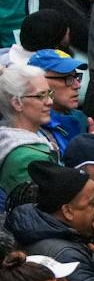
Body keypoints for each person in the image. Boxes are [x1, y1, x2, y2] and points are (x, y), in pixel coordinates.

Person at [0, 61, 56, 190]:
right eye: (41, 96)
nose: (50, 101)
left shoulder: (39, 136)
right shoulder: (27, 159)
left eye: (50, 93)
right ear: (17, 103)